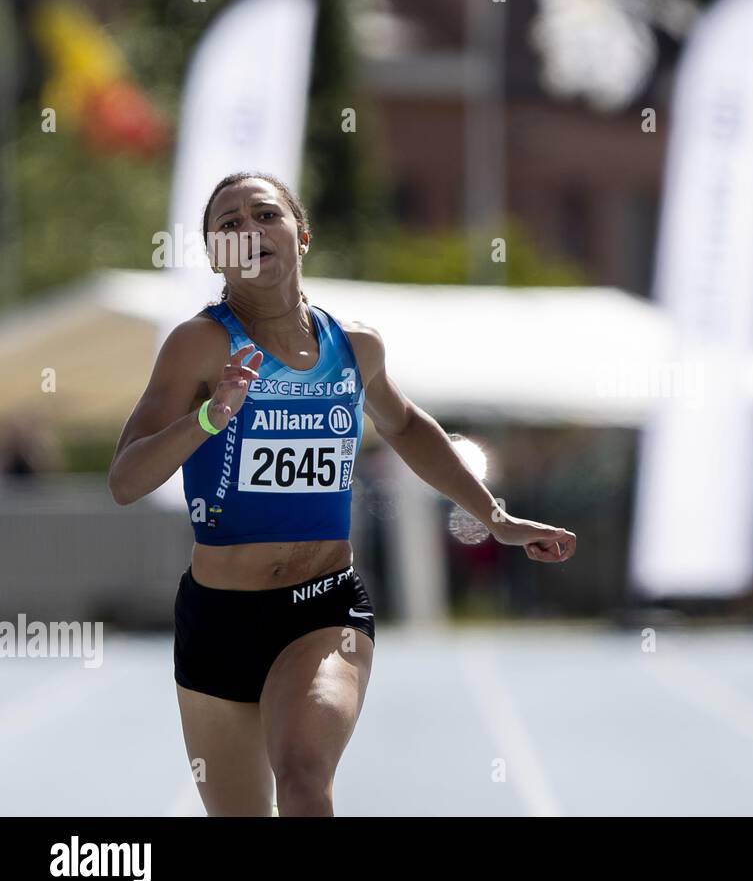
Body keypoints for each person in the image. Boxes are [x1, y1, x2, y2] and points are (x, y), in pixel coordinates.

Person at [108, 172, 576, 816]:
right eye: (228, 225)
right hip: (217, 619)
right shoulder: (199, 346)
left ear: (301, 235)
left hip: (322, 608)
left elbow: (405, 424)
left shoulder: (356, 346)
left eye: (263, 214)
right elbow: (126, 481)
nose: (247, 230)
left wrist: (492, 516)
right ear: (217, 256)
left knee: (303, 777)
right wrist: (212, 417)